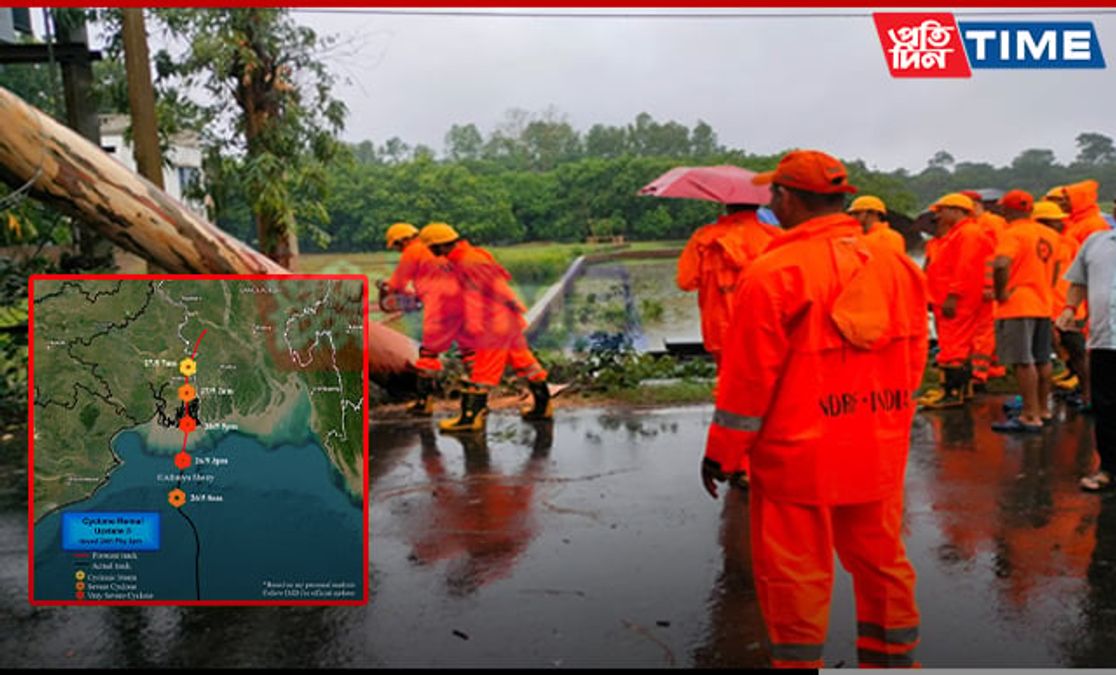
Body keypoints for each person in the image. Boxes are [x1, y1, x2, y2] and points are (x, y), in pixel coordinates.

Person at [702, 149, 928, 669]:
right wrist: (888, 418)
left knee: (796, 573)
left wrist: (723, 454)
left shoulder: (774, 273)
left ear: (786, 197)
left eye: (773, 192)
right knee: (883, 561)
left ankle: (800, 664)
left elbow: (747, 382)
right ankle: (894, 660)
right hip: (877, 446)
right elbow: (915, 359)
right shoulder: (897, 266)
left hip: (798, 457)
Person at [419, 222, 553, 432]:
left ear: (439, 245)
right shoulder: (462, 258)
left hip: (494, 323)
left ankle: (471, 418)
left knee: (482, 371)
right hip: (503, 321)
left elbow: (496, 288)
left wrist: (512, 306)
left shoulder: (469, 261)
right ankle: (543, 407)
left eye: (431, 247)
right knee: (525, 363)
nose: (430, 252)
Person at [677, 203, 782, 367]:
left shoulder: (704, 239)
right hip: (768, 329)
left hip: (721, 331)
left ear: (727, 205)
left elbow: (686, 282)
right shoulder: (778, 239)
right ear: (757, 206)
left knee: (728, 379)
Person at [989, 190, 1058, 432]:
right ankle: (1043, 409)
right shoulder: (1050, 235)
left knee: (1022, 361)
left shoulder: (1012, 233)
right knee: (1042, 358)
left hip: (1018, 304)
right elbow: (1056, 269)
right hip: (1042, 302)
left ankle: (1029, 415)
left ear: (1006, 210)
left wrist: (1000, 292)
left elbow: (1001, 264)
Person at [919, 193, 991, 409]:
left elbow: (965, 268)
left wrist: (953, 295)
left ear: (956, 210)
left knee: (953, 347)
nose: (938, 216)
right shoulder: (958, 234)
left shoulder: (968, 234)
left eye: (942, 211)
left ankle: (952, 393)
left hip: (958, 300)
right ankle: (962, 390)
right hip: (950, 298)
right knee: (955, 345)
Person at [1057, 224, 1116, 491]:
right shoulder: (1095, 242)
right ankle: (1109, 469)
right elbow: (1079, 282)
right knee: (1105, 407)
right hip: (1104, 339)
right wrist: (1070, 308)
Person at [383, 222, 462, 415]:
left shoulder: (412, 251)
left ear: (403, 240)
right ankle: (478, 402)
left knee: (428, 355)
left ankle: (424, 402)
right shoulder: (430, 249)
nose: (398, 250)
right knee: (469, 351)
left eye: (397, 246)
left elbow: (398, 283)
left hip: (439, 306)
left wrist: (387, 288)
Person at [1035, 200, 1090, 409]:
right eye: (1056, 221)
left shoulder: (1064, 243)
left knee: (1077, 352)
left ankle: (1087, 395)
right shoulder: (1059, 243)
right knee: (1069, 352)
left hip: (1065, 307)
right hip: (1057, 305)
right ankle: (1083, 392)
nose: (1061, 224)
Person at [961, 190, 1009, 384]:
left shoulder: (989, 224)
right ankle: (995, 367)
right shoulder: (979, 224)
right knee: (988, 328)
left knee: (984, 329)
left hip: (987, 286)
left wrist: (990, 285)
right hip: (980, 285)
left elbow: (995, 257)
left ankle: (979, 372)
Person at [1049, 180, 1111, 246]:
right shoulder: (1073, 222)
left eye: (1067, 199)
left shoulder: (1095, 225)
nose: (1062, 202)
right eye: (1063, 198)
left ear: (1080, 200)